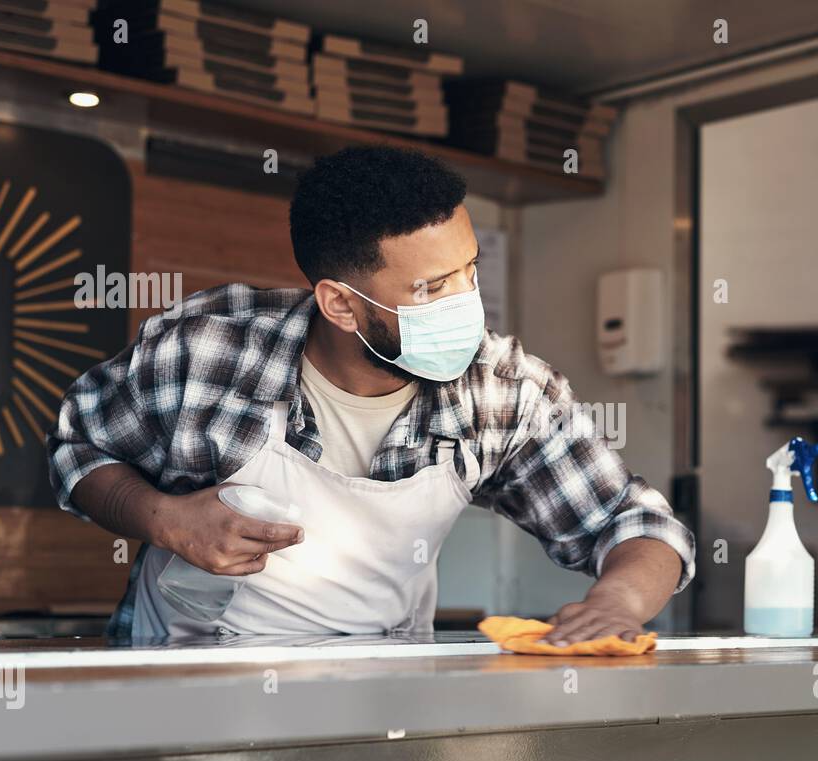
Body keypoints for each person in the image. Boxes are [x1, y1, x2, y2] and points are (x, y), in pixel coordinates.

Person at [48, 145, 695, 643]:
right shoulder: (209, 349)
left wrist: (621, 601)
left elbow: (633, 522)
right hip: (187, 681)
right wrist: (162, 518)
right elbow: (79, 449)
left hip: (380, 693)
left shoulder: (499, 393)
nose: (465, 302)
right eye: (430, 288)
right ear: (339, 304)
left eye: (469, 270)